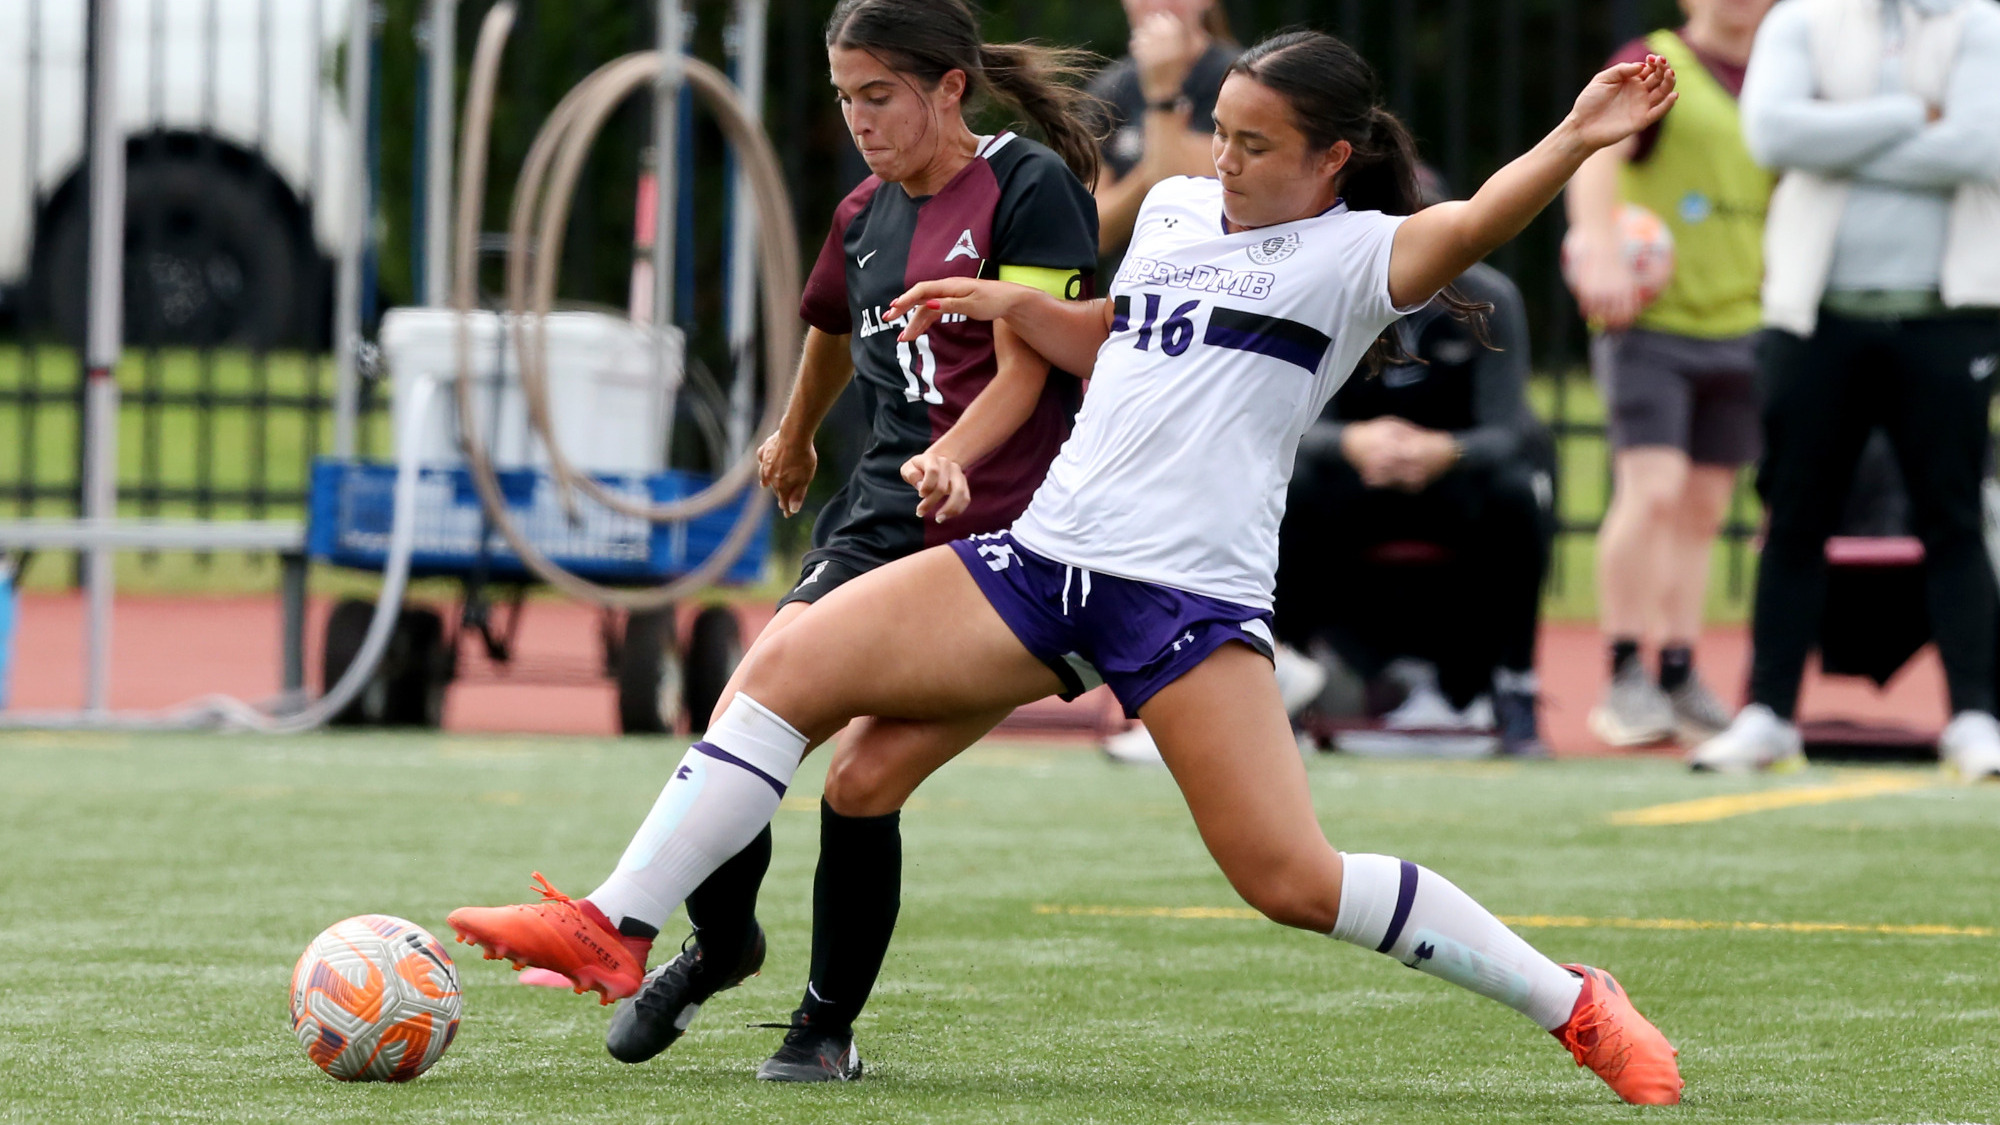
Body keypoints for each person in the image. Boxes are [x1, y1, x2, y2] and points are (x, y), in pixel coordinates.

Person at [448, 31, 1687, 1105]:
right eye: (1218, 131)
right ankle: (613, 923)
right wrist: (1012, 308)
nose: (1222, 160)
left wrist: (1576, 138)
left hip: (1184, 606)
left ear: (1328, 160)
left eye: (1255, 145)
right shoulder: (1173, 211)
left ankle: (1571, 1002)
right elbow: (1128, 337)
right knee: (788, 664)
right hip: (1042, 563)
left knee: (1291, 882)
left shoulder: (1356, 254)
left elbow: (1474, 222)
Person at [580, 0, 1102, 1081]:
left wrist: (956, 453)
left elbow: (1037, 359)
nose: (858, 120)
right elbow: (829, 323)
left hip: (1010, 545)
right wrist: (795, 433)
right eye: (843, 99)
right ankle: (722, 946)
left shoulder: (1028, 188)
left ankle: (822, 1028)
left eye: (878, 95)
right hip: (874, 522)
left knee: (861, 780)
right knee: (738, 723)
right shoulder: (864, 211)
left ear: (948, 88)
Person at [1692, 0, 2000, 778]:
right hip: (1814, 315)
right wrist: (1911, 115)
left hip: (1947, 314)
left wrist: (1838, 136)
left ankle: (1974, 716)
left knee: (1954, 515)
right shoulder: (1802, 18)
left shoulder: (1982, 22)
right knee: (1794, 514)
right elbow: (1772, 135)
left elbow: (1983, 145)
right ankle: (1767, 714)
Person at [1566, 0, 1776, 748]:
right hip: (1649, 322)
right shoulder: (1657, 62)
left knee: (1704, 507)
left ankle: (1681, 671)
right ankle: (1625, 672)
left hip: (1742, 318)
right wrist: (1597, 244)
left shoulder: (1785, 73)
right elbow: (1595, 153)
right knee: (1651, 492)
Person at [1279, 236, 1557, 759]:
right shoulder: (1331, 293)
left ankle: (1516, 684)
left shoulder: (1492, 299)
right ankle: (1284, 678)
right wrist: (1351, 442)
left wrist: (1444, 450)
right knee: (1291, 490)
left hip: (1456, 484)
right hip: (1355, 481)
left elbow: (1507, 430)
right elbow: (1289, 422)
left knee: (1519, 493)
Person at [1088, 0, 1238, 255]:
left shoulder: (1236, 79)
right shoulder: (1108, 90)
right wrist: (1161, 154)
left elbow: (1182, 201)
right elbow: (1093, 231)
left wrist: (1162, 94)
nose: (1156, 4)